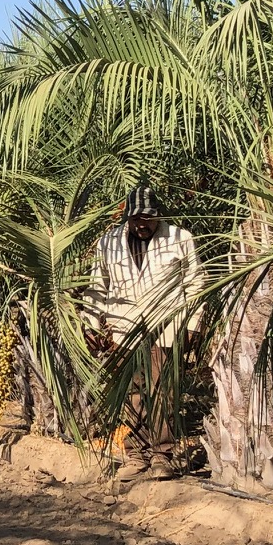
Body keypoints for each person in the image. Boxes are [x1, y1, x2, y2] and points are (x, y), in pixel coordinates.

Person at [85, 185, 204, 451]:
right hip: (124, 329)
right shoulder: (108, 243)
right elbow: (97, 286)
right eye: (136, 218)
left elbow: (196, 284)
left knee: (162, 393)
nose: (142, 224)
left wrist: (193, 326)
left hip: (166, 328)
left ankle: (163, 453)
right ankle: (137, 452)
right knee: (131, 395)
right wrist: (91, 324)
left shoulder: (179, 238)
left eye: (148, 217)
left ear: (157, 215)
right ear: (126, 216)